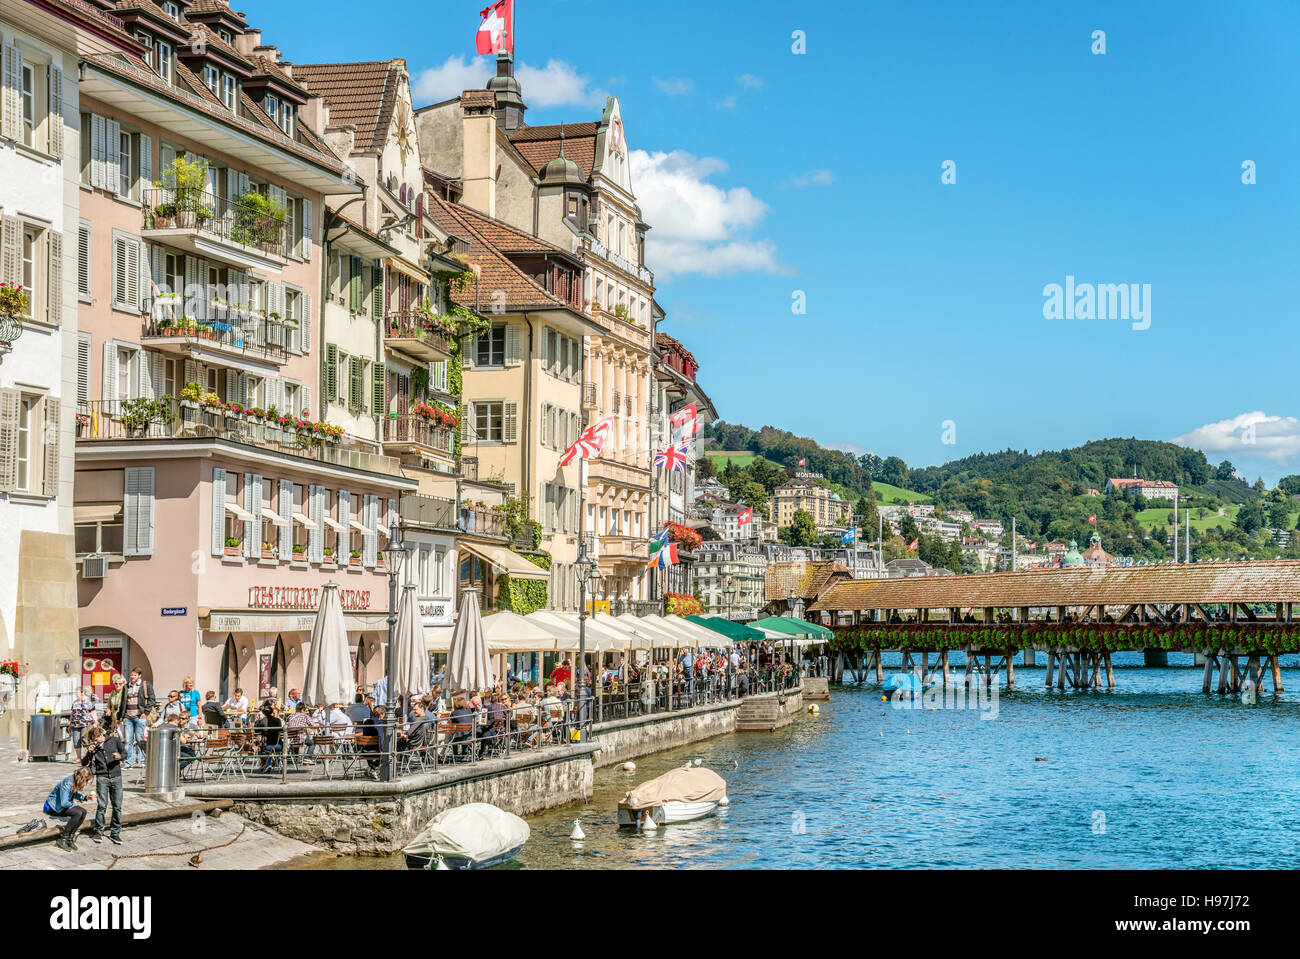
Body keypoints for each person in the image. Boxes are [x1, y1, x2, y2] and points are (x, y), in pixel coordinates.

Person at [81, 726, 124, 845]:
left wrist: (120, 757)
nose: (95, 742)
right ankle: (98, 831)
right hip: (102, 778)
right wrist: (89, 753)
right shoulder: (94, 748)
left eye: (96, 740)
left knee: (117, 806)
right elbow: (84, 763)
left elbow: (125, 753)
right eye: (93, 741)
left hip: (116, 777)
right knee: (102, 806)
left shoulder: (114, 741)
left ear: (101, 735)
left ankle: (115, 833)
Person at [44, 766, 95, 852]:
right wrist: (73, 804)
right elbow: (64, 803)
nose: (86, 782)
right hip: (53, 807)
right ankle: (63, 839)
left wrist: (85, 797)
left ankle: (70, 838)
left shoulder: (74, 780)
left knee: (83, 812)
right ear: (81, 777)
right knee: (78, 813)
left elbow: (73, 793)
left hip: (60, 806)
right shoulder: (68, 782)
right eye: (86, 780)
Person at [115, 667, 154, 768]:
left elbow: (152, 699)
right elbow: (122, 703)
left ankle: (144, 760)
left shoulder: (145, 685)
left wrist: (146, 712)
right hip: (128, 717)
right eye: (131, 675)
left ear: (139, 676)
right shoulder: (126, 686)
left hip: (139, 717)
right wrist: (119, 717)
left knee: (140, 739)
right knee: (128, 741)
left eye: (134, 675)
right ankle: (129, 763)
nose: (132, 677)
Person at [70, 686, 97, 762]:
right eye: (76, 692)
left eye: (77, 692)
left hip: (86, 724)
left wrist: (96, 722)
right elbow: (72, 713)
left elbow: (93, 712)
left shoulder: (89, 701)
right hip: (76, 725)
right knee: (76, 741)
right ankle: (79, 758)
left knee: (86, 741)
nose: (76, 694)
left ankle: (89, 757)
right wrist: (70, 724)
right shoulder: (75, 702)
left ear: (82, 692)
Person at [257, 701, 284, 773]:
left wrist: (258, 720)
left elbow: (256, 731)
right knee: (268, 749)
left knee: (262, 748)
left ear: (264, 713)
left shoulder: (263, 721)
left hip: (266, 745)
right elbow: (280, 731)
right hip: (278, 745)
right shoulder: (278, 720)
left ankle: (266, 765)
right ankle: (269, 764)